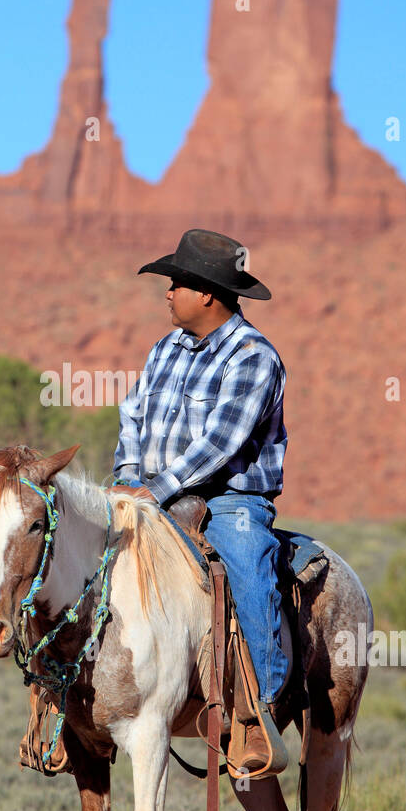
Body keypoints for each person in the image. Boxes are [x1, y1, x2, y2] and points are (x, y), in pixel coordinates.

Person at [113, 227, 290, 775]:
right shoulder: (164, 349)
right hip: (150, 496)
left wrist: (156, 490)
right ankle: (65, 700)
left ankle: (255, 715)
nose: (167, 292)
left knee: (246, 567)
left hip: (228, 502)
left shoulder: (254, 356)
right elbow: (132, 419)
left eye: (176, 283)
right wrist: (124, 481)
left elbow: (222, 442)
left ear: (208, 294)